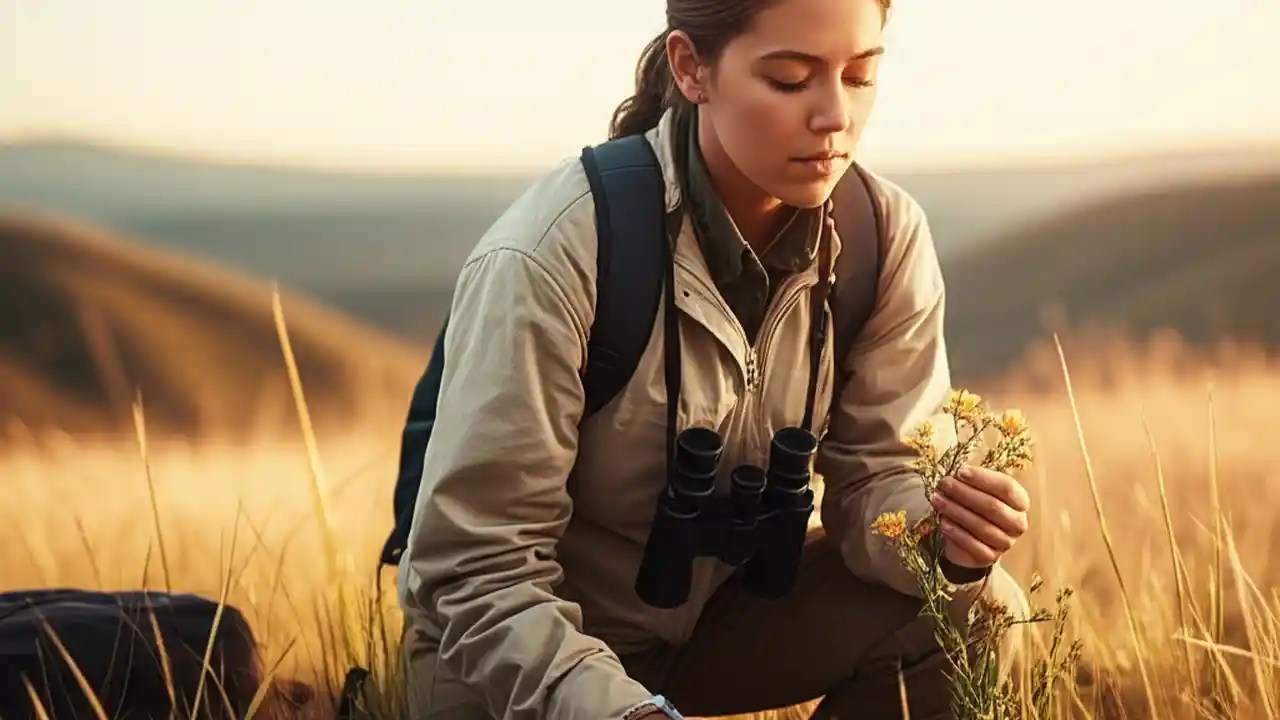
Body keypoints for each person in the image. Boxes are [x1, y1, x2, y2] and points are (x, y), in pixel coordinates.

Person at [396, 0, 1032, 717]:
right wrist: (618, 711)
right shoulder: (554, 254)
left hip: (710, 629)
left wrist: (934, 531)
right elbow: (476, 570)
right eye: (791, 79)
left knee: (982, 612)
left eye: (859, 76)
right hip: (510, 657)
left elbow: (878, 477)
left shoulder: (881, 239)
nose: (834, 116)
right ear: (691, 68)